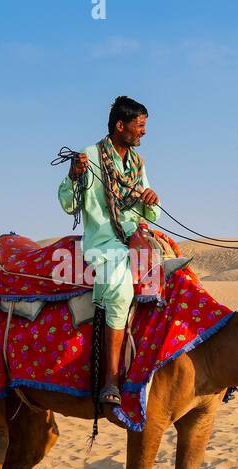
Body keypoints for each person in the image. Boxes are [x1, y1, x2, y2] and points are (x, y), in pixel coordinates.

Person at [57, 96, 161, 410]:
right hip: (103, 242)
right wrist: (74, 175)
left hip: (135, 235)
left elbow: (146, 212)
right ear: (121, 126)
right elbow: (69, 205)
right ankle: (111, 379)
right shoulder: (88, 157)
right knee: (119, 286)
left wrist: (149, 199)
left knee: (175, 273)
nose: (143, 133)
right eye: (139, 126)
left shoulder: (137, 164)